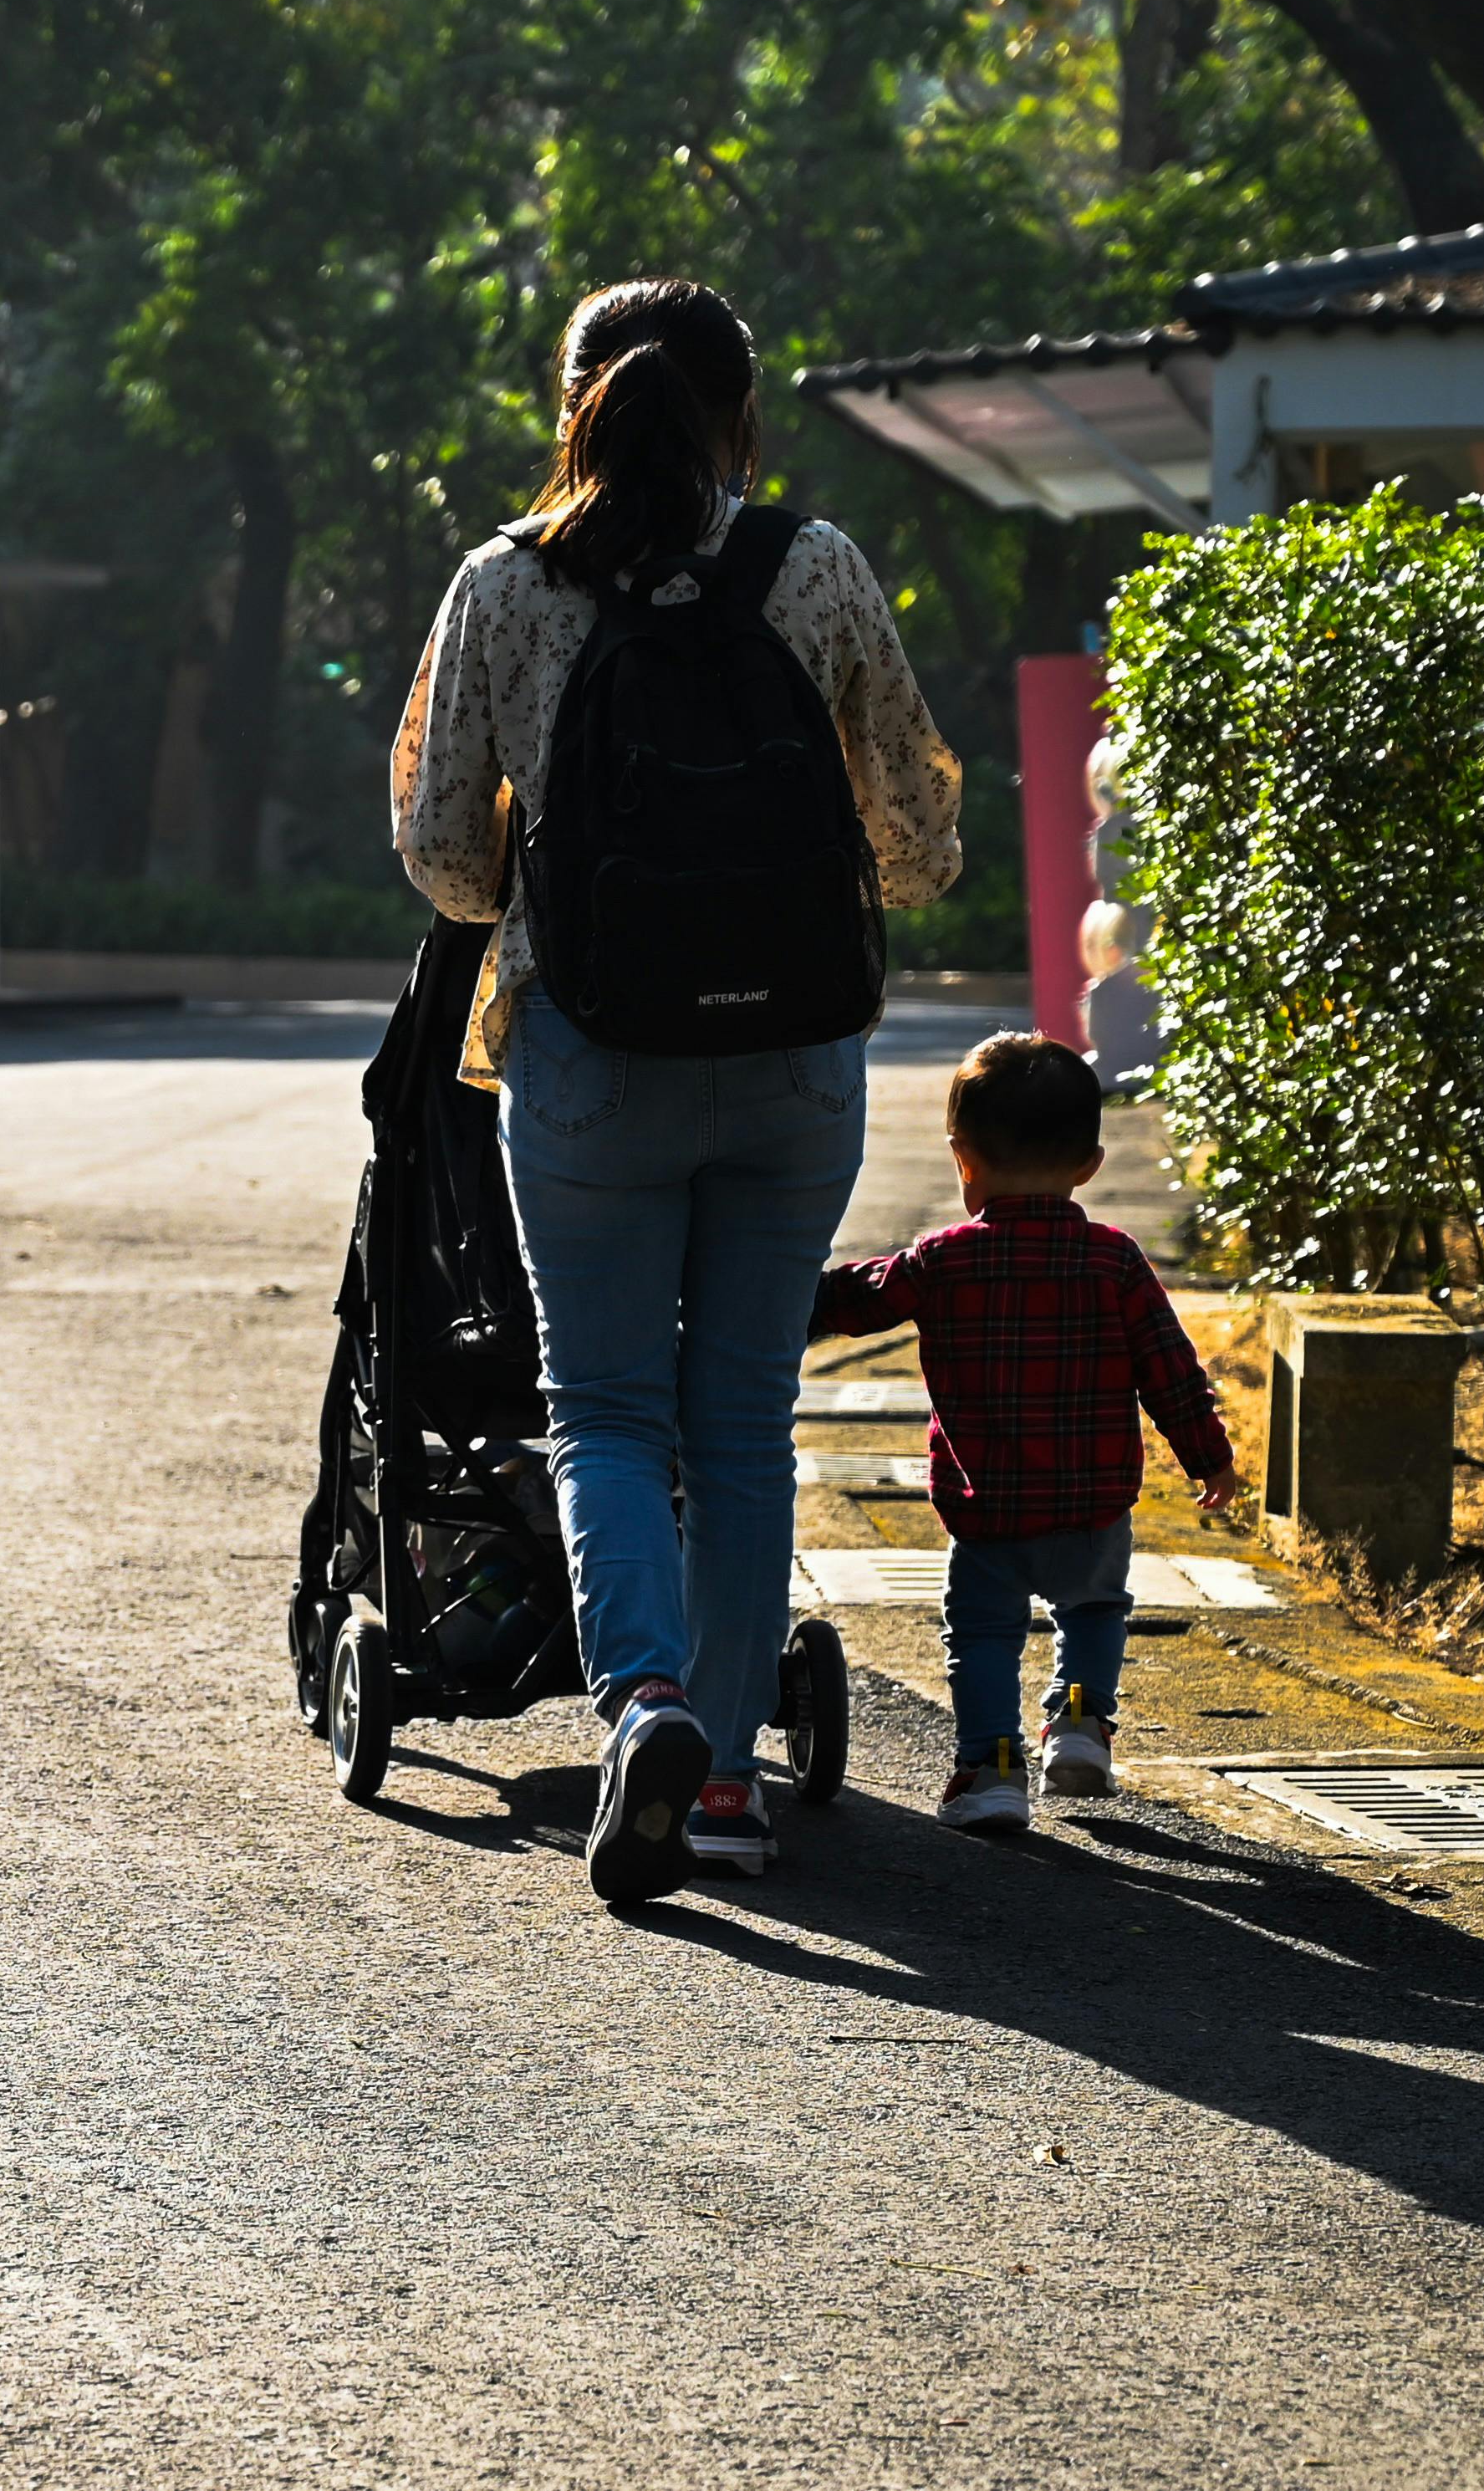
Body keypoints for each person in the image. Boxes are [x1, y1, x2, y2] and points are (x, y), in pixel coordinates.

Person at [393, 276, 961, 1902]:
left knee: (607, 1411)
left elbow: (440, 854)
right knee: (736, 1416)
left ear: (571, 410)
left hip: (585, 1053)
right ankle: (720, 1776)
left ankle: (638, 1696)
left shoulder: (504, 584)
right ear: (742, 415)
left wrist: (552, 871)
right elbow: (915, 840)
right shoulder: (820, 566)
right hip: (789, 1064)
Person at [809, 1031, 1241, 1833]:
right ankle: (1079, 1721)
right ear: (1090, 1164)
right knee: (1094, 1610)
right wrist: (1208, 1457)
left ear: (962, 1158)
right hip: (1093, 1499)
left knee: (980, 1634)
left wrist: (781, 1293)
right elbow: (1168, 1369)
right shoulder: (1115, 1262)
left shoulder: (941, 1261)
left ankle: (991, 1770)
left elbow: (853, 1300)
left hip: (987, 1504)